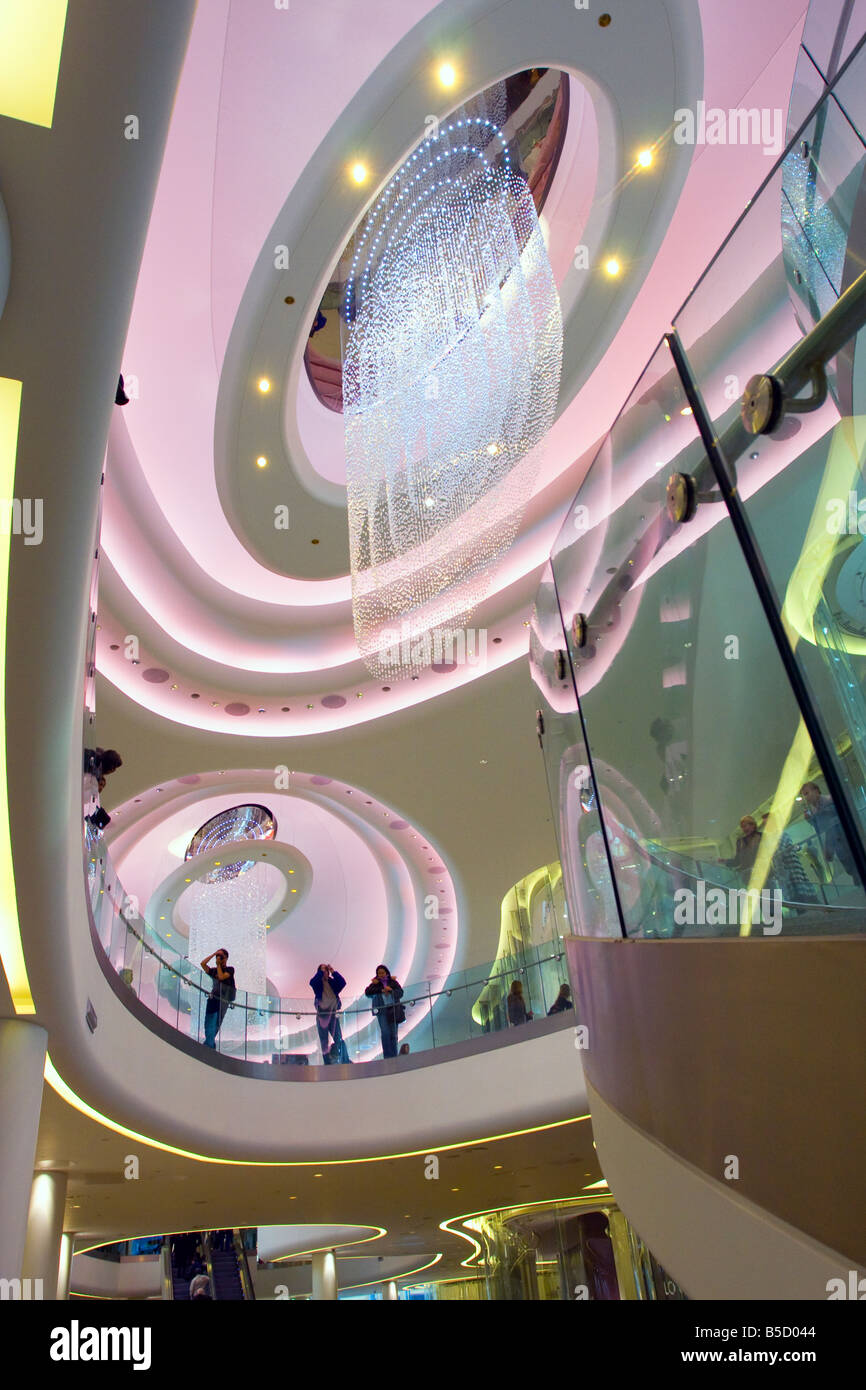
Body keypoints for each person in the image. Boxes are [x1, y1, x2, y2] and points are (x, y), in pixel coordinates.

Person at [800, 781, 857, 880]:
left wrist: (828, 847)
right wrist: (810, 820)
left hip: (848, 841)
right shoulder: (814, 811)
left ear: (817, 791)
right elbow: (821, 829)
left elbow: (835, 824)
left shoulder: (830, 800)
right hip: (838, 847)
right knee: (851, 870)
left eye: (807, 793)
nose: (806, 797)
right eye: (804, 795)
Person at [310, 963, 347, 1063]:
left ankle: (343, 1059)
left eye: (326, 970)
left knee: (338, 1038)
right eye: (322, 970)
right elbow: (312, 982)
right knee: (324, 1041)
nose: (325, 971)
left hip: (333, 1014)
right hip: (322, 1014)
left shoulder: (332, 982)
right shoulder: (318, 984)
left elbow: (342, 983)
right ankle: (327, 1062)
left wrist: (333, 971)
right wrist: (321, 972)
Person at [365, 965, 403, 1059]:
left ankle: (394, 1055)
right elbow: (367, 992)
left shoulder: (392, 982)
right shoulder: (375, 983)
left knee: (393, 1033)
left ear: (386, 972)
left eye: (382, 972)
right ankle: (387, 1056)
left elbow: (400, 992)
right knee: (385, 1032)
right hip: (382, 1010)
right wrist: (381, 990)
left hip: (393, 1009)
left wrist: (391, 990)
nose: (381, 975)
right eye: (379, 973)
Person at [200, 948, 236, 1049]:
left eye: (221, 956)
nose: (219, 958)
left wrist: (218, 965)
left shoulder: (230, 969)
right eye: (218, 957)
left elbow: (221, 977)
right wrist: (214, 954)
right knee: (209, 1020)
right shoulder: (213, 970)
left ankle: (209, 1044)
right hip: (213, 998)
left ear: (226, 958)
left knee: (216, 1022)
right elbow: (203, 964)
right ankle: (210, 1044)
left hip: (224, 999)